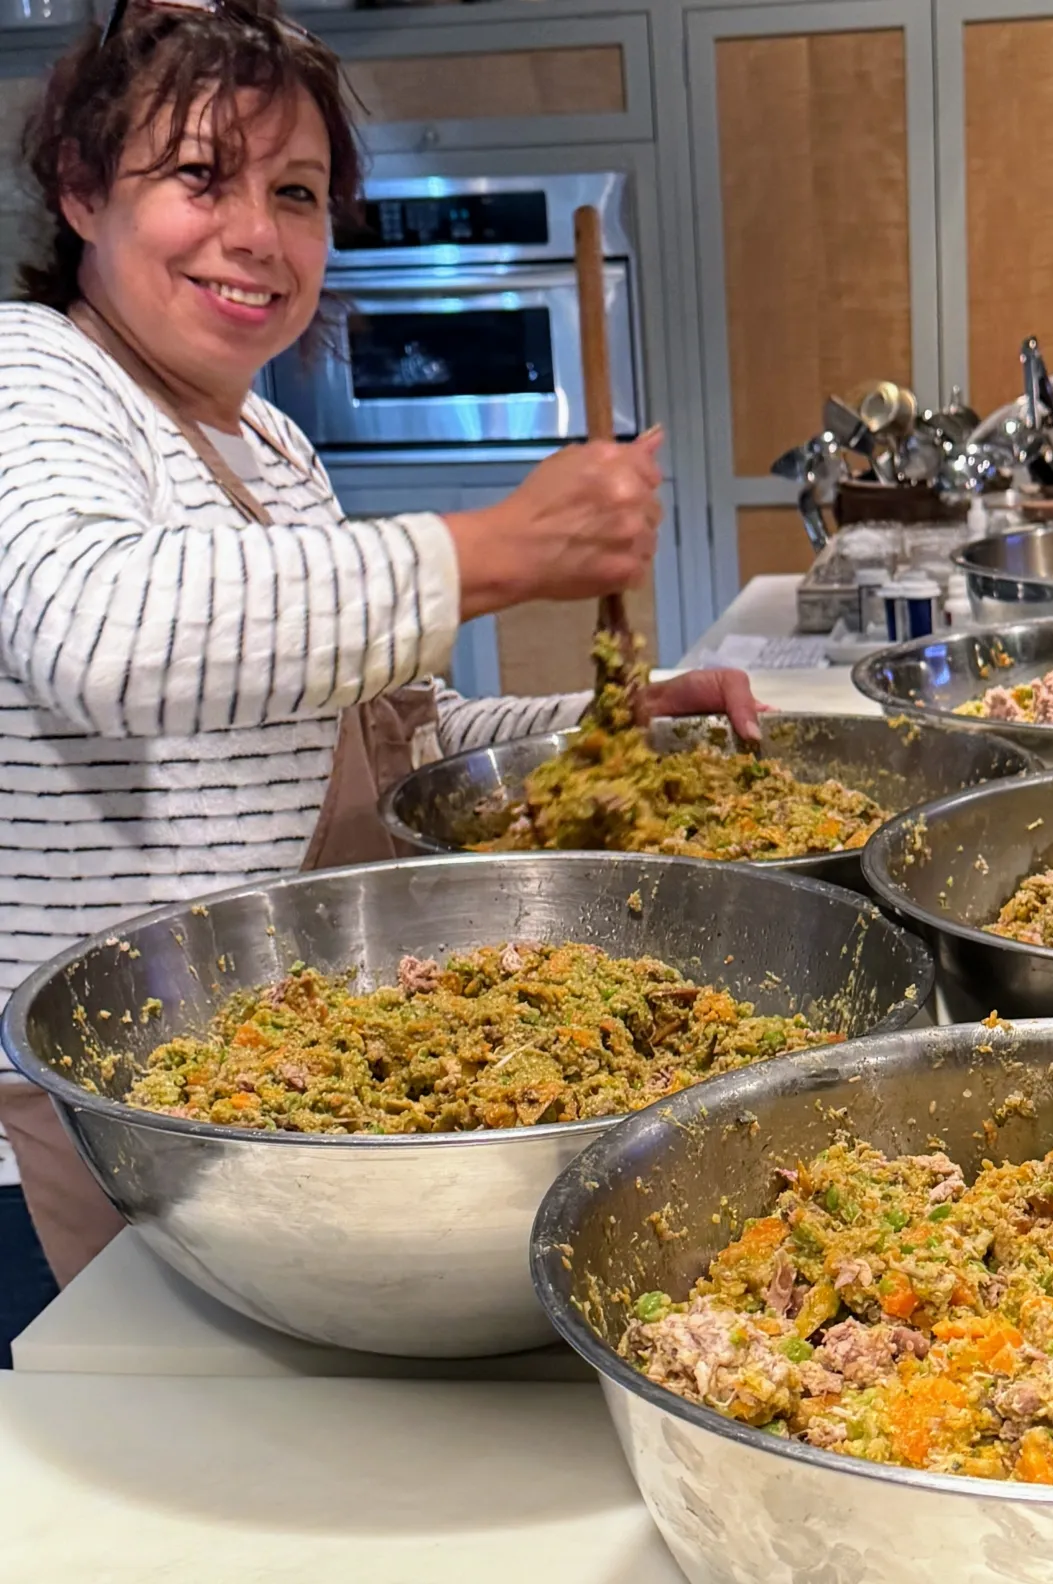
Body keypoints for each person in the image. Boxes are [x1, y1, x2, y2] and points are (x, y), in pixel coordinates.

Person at [0, 0, 766, 1331]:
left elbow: (399, 739)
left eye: (296, 194)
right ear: (79, 189)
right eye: (198, 177)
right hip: (104, 1115)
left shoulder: (275, 451)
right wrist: (487, 552)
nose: (257, 233)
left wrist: (602, 724)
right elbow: (99, 634)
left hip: (284, 1073)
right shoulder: (36, 381)